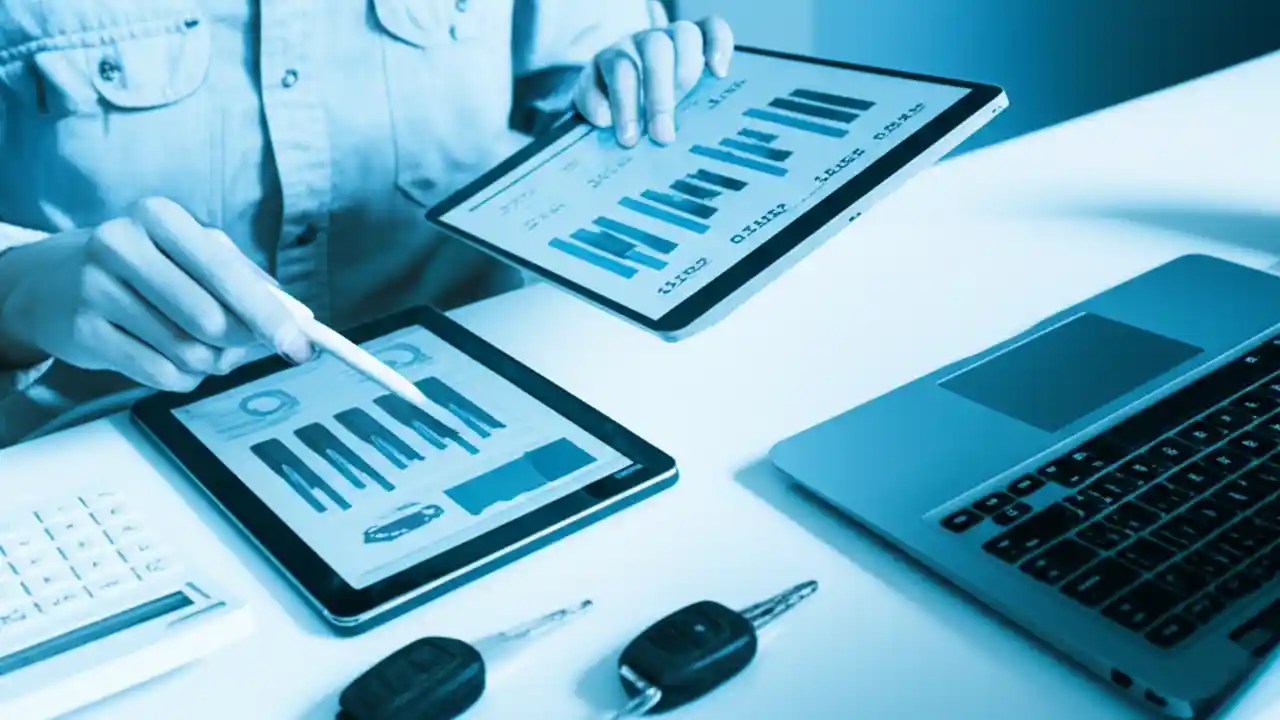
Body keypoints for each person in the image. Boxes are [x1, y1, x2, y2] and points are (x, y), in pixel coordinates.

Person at [0, 0, 734, 446]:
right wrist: (18, 295)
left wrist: (640, 107)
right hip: (110, 455)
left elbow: (577, 120)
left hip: (487, 406)